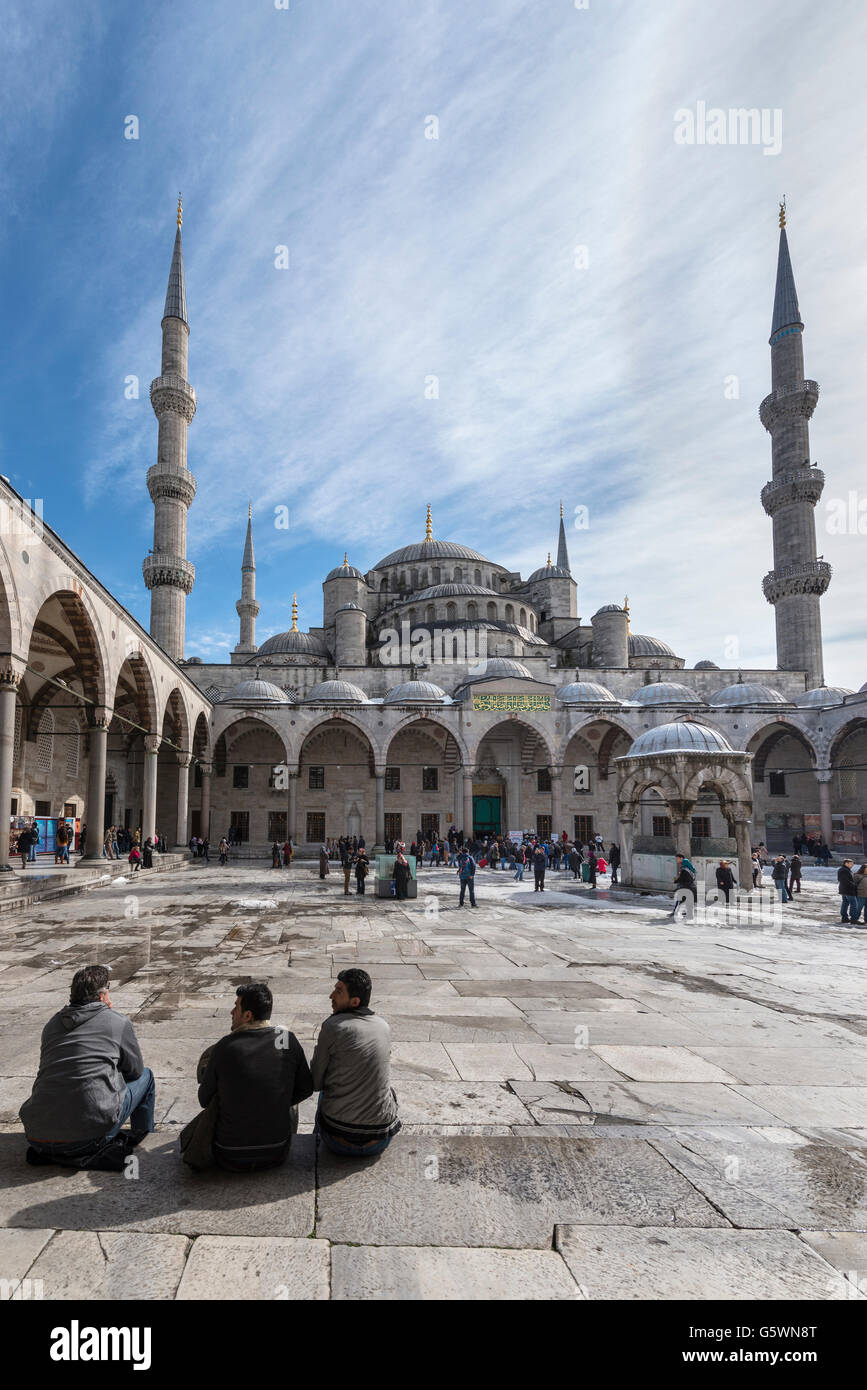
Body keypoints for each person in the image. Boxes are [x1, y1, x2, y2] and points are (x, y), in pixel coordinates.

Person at [20, 964, 154, 1166]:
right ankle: (143, 1136)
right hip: (88, 1140)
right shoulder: (116, 1022)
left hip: (38, 1136)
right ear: (102, 995)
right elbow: (135, 1071)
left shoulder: (52, 1024)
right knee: (147, 1076)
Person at [181, 981, 312, 1172]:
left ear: (248, 1015)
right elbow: (306, 1088)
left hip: (228, 1154)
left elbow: (204, 1100)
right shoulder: (286, 1040)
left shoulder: (225, 1046)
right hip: (277, 1153)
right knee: (287, 1087)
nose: (232, 1012)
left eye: (236, 1007)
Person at [311, 969, 400, 1157]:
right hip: (380, 1140)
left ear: (355, 1001)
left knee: (324, 1093)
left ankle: (314, 1148)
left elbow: (316, 1082)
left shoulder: (333, 1026)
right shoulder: (383, 1026)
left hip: (337, 1141)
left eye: (338, 991)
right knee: (388, 1091)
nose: (331, 996)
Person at [669, 853, 697, 918]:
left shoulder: (684, 868)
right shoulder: (687, 867)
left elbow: (683, 878)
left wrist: (676, 880)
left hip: (686, 886)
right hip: (689, 886)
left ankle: (676, 912)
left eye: (677, 858)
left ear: (681, 858)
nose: (676, 860)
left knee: (680, 899)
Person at [837, 859, 861, 925]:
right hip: (848, 890)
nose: (852, 865)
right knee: (854, 905)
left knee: (845, 903)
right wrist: (855, 886)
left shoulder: (845, 870)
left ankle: (844, 918)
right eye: (851, 864)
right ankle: (853, 919)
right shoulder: (844, 870)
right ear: (846, 863)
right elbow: (846, 881)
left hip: (845, 890)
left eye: (853, 864)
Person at [853, 863, 867, 930]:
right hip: (861, 894)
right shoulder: (857, 875)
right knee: (858, 908)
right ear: (863, 868)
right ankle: (855, 919)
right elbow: (853, 885)